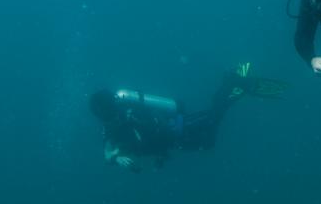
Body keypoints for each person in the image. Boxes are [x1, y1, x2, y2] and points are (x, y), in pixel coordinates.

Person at [88, 63, 287, 171]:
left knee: (213, 115)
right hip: (175, 141)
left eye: (103, 113)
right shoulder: (110, 126)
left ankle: (232, 82)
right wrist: (116, 157)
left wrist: (119, 152)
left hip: (178, 128)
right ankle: (232, 88)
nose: (104, 118)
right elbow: (106, 153)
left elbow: (150, 129)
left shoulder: (127, 113)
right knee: (210, 141)